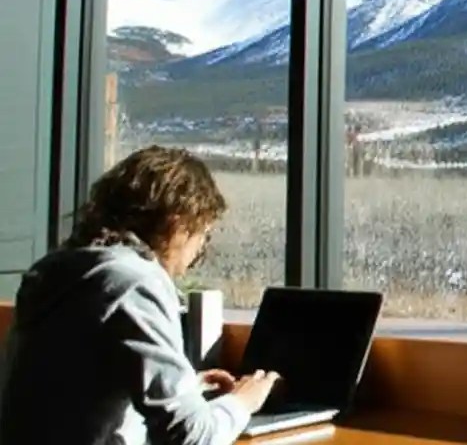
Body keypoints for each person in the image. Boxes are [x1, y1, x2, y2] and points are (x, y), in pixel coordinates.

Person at [0, 146, 281, 444]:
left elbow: (72, 395)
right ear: (179, 223)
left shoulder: (57, 271)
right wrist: (244, 402)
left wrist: (186, 387)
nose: (200, 249)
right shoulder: (134, 282)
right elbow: (189, 437)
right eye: (204, 233)